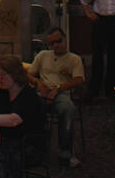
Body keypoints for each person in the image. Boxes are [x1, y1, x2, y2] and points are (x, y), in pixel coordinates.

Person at [28, 27, 84, 167]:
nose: (55, 46)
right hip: (42, 93)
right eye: (51, 44)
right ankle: (35, 148)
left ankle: (65, 150)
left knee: (68, 109)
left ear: (65, 39)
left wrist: (59, 89)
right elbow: (29, 74)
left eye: (58, 41)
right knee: (30, 109)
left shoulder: (74, 59)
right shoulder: (42, 56)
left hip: (61, 94)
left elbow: (78, 79)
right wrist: (38, 82)